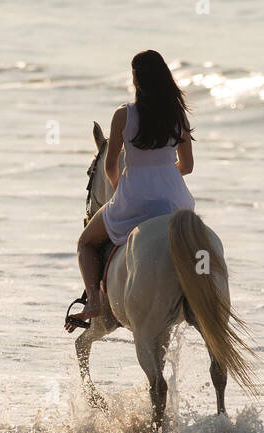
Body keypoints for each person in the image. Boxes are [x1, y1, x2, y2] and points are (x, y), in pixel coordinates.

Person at [72, 50, 195, 323]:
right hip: (176, 200)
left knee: (86, 243)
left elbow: (110, 165)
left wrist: (120, 190)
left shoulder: (124, 115)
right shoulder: (178, 115)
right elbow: (187, 166)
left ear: (137, 80)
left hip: (134, 198)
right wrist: (164, 176)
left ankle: (93, 302)